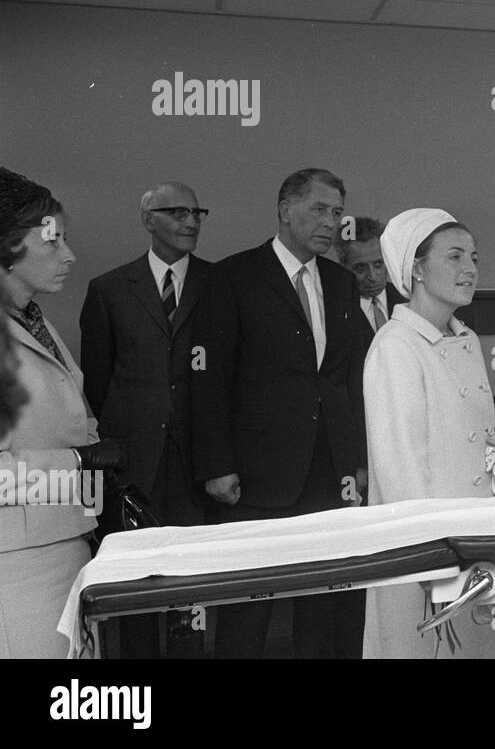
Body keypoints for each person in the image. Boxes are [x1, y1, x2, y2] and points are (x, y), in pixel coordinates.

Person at [191, 168, 367, 659]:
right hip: (253, 474)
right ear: (285, 209)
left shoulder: (341, 282)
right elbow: (209, 378)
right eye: (319, 209)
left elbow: (346, 379)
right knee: (249, 609)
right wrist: (216, 464)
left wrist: (358, 461)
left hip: (328, 470)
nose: (331, 222)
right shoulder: (233, 276)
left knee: (322, 604)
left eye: (337, 213)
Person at [362, 209, 495, 659]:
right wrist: (433, 559)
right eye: (454, 256)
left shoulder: (466, 339)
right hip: (430, 556)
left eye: (474, 256)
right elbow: (400, 470)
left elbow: (472, 437)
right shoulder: (396, 347)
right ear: (416, 268)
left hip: (477, 544)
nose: (470, 268)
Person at [79, 181, 211, 658]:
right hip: (135, 465)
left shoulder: (219, 284)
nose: (190, 221)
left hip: (199, 461)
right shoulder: (109, 290)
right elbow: (96, 384)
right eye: (177, 212)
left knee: (194, 583)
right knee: (137, 584)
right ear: (147, 219)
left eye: (197, 212)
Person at [0, 168, 122, 659]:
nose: (69, 255)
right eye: (52, 241)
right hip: (18, 570)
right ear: (6, 245)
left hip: (66, 544)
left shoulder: (33, 319)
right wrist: (78, 465)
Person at [337, 216, 402, 342]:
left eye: (378, 265)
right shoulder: (334, 309)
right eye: (360, 268)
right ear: (343, 267)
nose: (372, 276)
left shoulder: (408, 300)